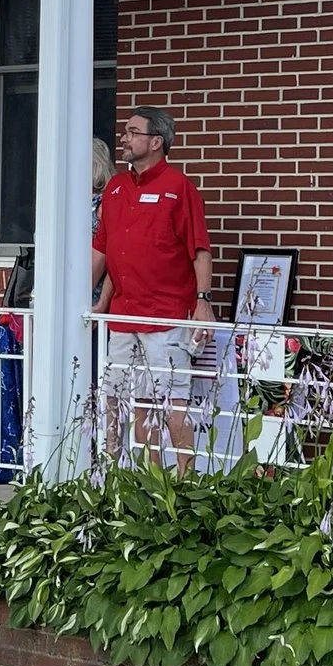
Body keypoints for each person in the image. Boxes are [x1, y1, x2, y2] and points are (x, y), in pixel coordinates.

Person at [91, 105, 213, 469]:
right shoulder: (115, 188)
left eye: (133, 132)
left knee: (172, 404)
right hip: (123, 316)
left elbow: (200, 249)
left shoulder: (179, 188)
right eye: (125, 132)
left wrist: (203, 301)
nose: (124, 139)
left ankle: (187, 482)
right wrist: (91, 299)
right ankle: (148, 481)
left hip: (166, 317)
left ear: (156, 141)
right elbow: (105, 251)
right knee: (128, 401)